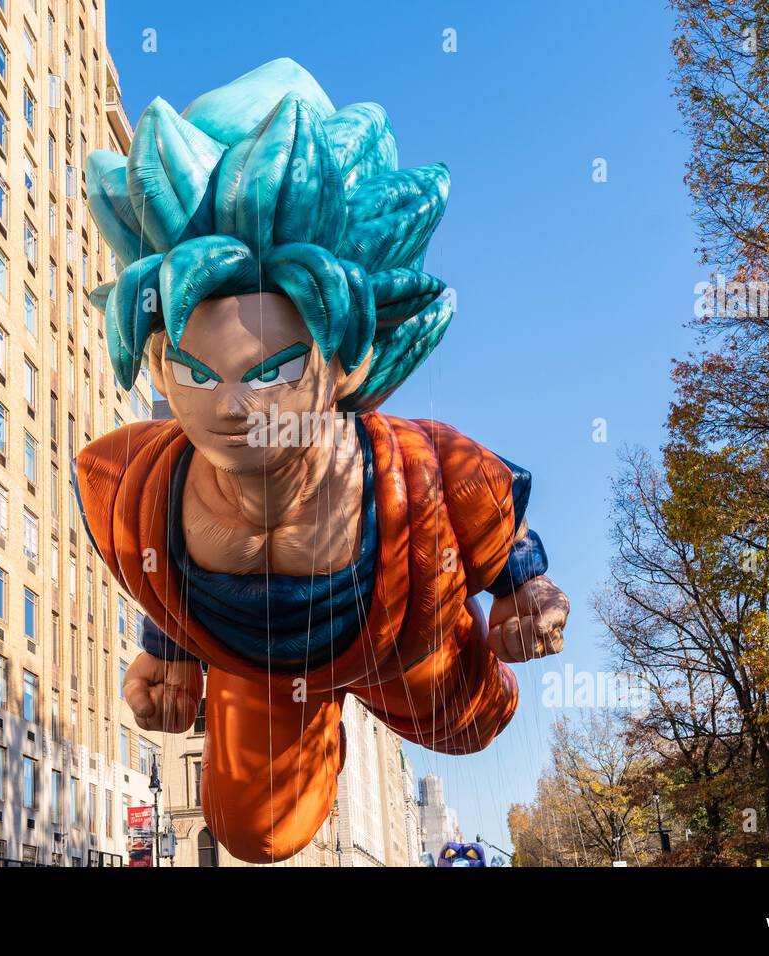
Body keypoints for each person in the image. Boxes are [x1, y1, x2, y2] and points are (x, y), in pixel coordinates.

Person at [75, 59, 569, 863]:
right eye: (196, 372)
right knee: (256, 827)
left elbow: (487, 504)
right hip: (263, 671)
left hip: (405, 627)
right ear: (158, 364)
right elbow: (157, 566)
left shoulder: (417, 472)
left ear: (345, 360)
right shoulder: (130, 484)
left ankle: (442, 679)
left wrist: (525, 587)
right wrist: (167, 656)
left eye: (271, 369)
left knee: (475, 717)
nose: (234, 406)